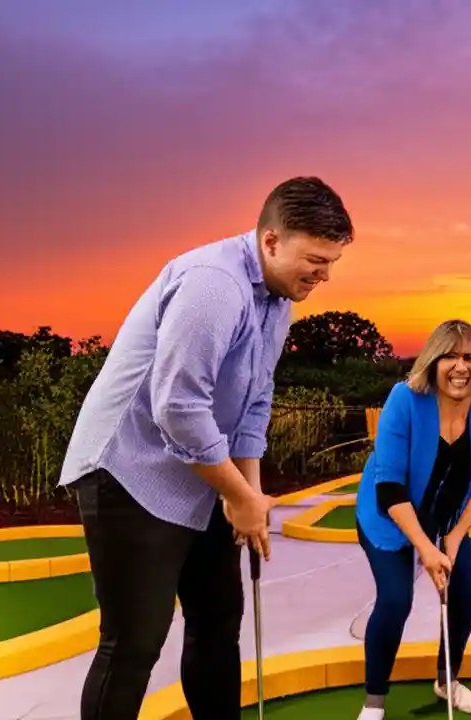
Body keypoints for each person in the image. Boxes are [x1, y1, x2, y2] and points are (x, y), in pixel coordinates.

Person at [58, 176, 355, 720]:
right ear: (271, 241)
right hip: (130, 472)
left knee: (218, 623)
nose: (325, 275)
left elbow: (255, 402)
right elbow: (178, 407)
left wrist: (251, 496)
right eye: (316, 260)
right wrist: (237, 495)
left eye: (332, 262)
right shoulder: (214, 285)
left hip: (201, 472)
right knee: (134, 643)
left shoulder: (278, 301)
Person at [353, 319, 471, 720]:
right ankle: (374, 702)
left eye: (470, 357)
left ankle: (446, 680)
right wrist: (425, 548)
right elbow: (389, 487)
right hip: (389, 515)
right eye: (449, 357)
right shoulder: (405, 399)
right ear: (433, 362)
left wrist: (454, 536)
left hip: (447, 518)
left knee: (464, 596)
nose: (461, 367)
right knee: (395, 600)